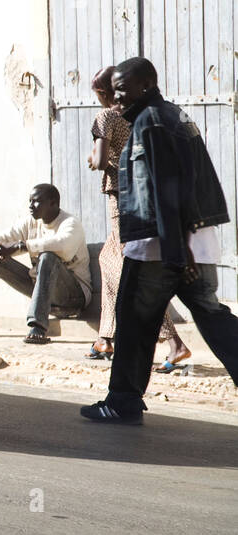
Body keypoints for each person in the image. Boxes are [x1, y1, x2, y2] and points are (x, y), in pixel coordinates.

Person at [81, 57, 238, 424]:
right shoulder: (168, 116)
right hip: (183, 242)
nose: (116, 98)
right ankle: (123, 400)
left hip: (160, 247)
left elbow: (167, 189)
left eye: (122, 89)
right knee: (212, 316)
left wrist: (175, 252)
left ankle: (122, 402)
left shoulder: (152, 122)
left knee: (134, 321)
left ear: (146, 84)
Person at [86, 66, 190, 366]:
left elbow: (101, 159)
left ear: (103, 93)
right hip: (140, 195)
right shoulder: (136, 114)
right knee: (108, 260)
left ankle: (174, 341)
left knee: (129, 273)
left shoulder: (106, 116)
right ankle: (105, 337)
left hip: (119, 197)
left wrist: (92, 158)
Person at [0, 184, 90, 344]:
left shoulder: (70, 223)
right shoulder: (30, 223)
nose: (31, 206)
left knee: (48, 257)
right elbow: (1, 237)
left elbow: (63, 246)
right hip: (42, 291)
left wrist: (21, 246)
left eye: (36, 201)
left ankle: (38, 326)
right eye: (30, 201)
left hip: (73, 298)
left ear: (53, 203)